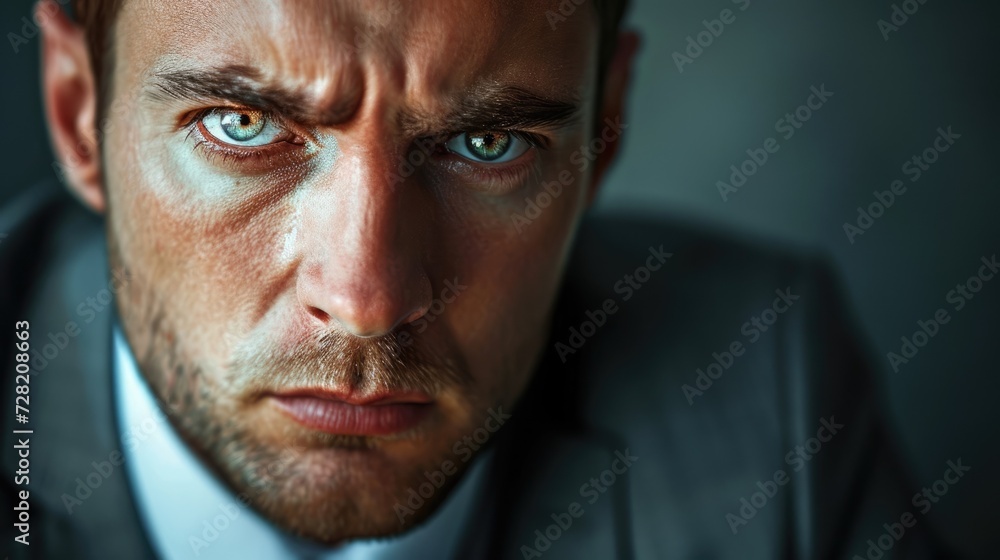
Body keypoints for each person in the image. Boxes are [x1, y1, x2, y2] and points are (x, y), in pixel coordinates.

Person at [0, 0, 953, 558]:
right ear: (80, 112)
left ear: (605, 126)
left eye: (485, 144)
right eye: (244, 129)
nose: (368, 299)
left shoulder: (761, 389)